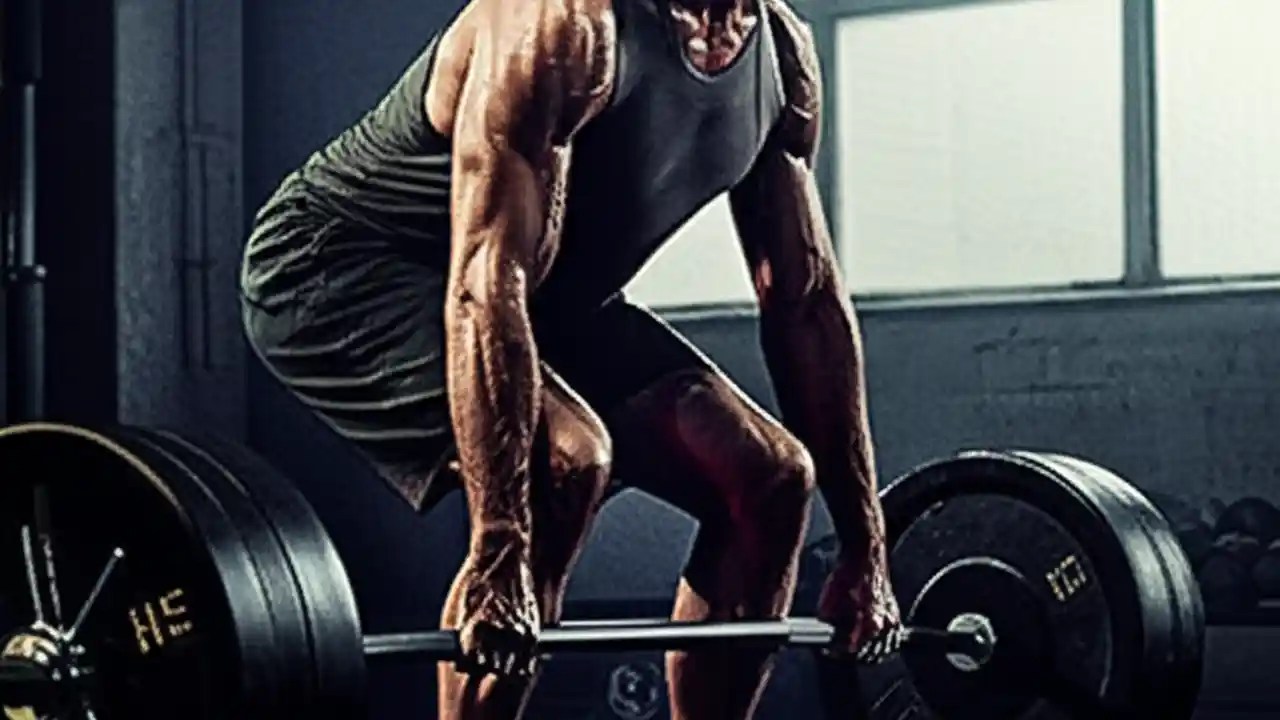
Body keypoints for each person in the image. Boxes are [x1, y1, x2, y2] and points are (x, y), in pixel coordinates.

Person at [239, 0, 900, 717]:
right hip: (340, 273)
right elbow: (486, 285)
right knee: (564, 460)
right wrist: (499, 547)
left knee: (770, 478)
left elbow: (805, 305)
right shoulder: (561, 27)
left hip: (545, 296)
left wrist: (867, 548)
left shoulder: (782, 54)